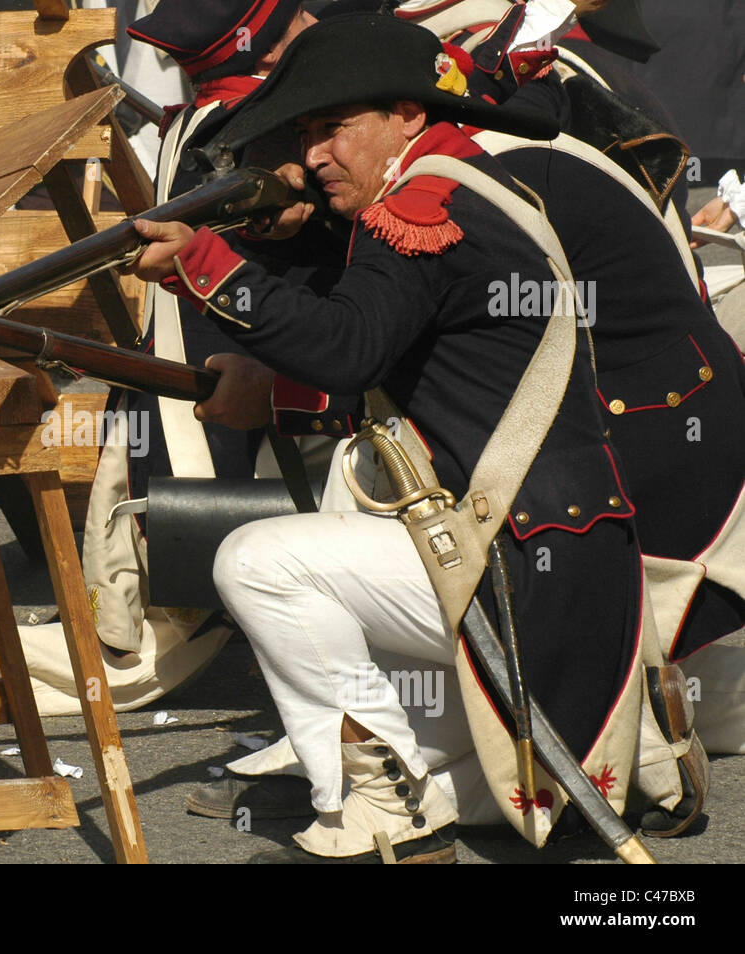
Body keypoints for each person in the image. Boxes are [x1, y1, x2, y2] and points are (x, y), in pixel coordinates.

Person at [130, 13, 653, 862]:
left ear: (406, 115)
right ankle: (413, 785)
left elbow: (347, 346)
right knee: (485, 788)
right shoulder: (463, 181)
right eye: (306, 134)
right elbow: (393, 332)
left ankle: (378, 810)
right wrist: (301, 234)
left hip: (519, 570)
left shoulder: (423, 209)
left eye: (333, 127)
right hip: (559, 550)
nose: (315, 155)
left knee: (257, 562)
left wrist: (208, 266)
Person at [20, 0, 339, 716]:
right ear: (258, 43)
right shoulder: (252, 122)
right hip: (249, 398)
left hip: (229, 387)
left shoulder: (196, 118)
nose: (313, 22)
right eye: (294, 19)